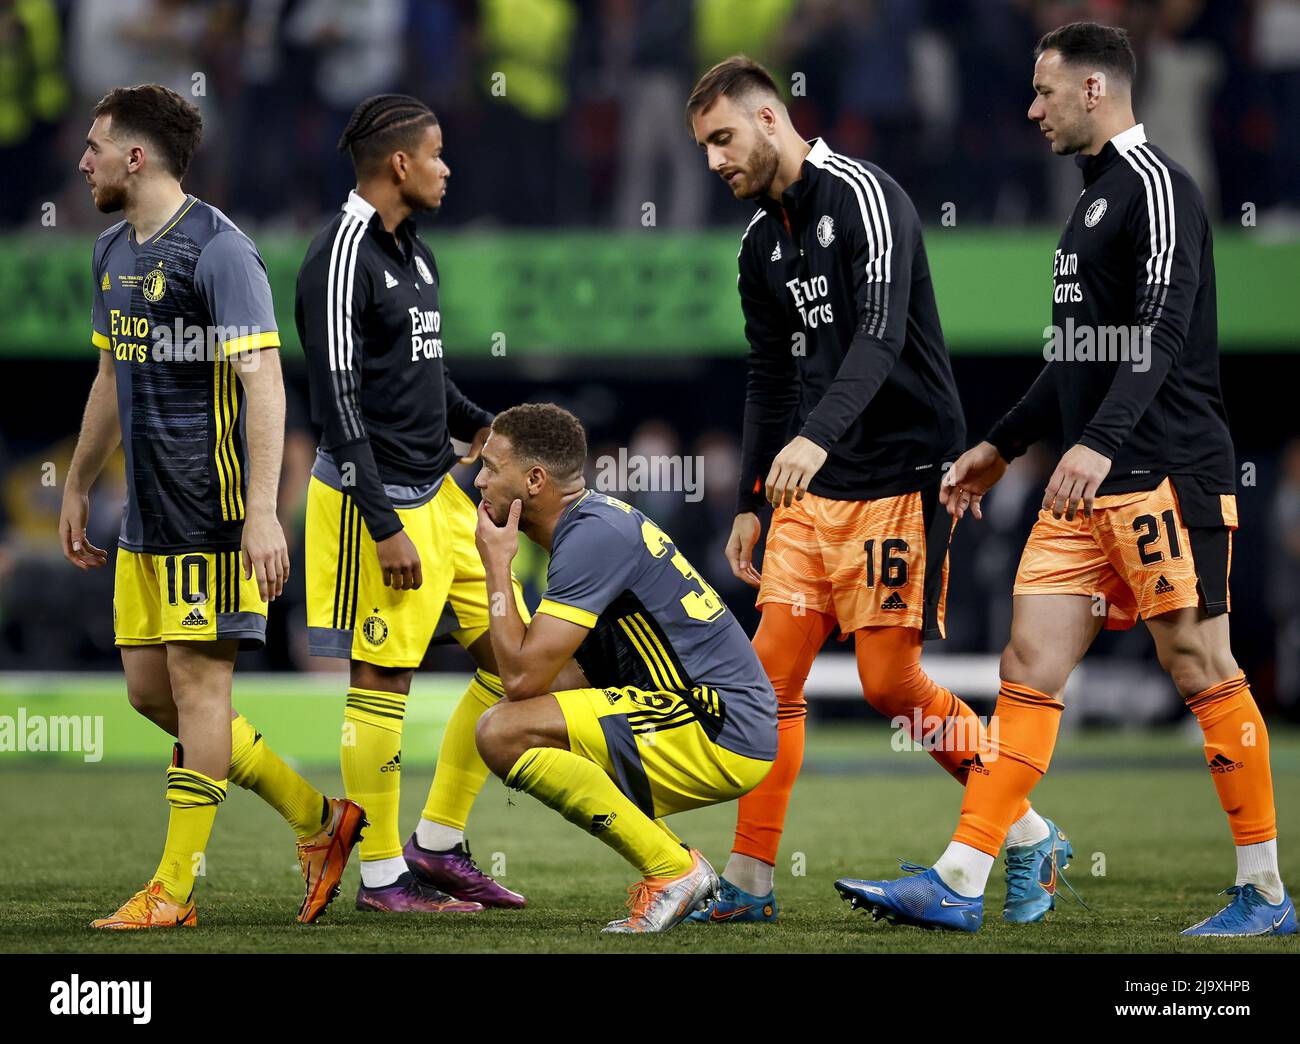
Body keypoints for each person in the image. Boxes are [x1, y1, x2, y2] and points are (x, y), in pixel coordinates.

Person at [837, 22, 1295, 937]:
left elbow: (1162, 332)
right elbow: (1074, 361)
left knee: (1201, 664)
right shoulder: (1089, 202)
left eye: (1045, 92)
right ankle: (963, 876)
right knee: (1027, 667)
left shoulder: (1158, 185)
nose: (1031, 108)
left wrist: (1099, 442)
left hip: (1164, 472)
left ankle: (1266, 892)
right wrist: (1004, 445)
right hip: (1086, 483)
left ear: (1096, 89)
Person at [685, 55, 1065, 925]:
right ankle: (749, 884)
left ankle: (1028, 828)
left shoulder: (864, 196)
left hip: (900, 472)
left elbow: (883, 334)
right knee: (768, 673)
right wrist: (750, 498)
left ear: (771, 119)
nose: (713, 161)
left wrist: (816, 438)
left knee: (890, 683)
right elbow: (768, 379)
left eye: (722, 138)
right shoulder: (758, 244)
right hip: (810, 494)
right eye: (704, 146)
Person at [62, 84, 363, 929]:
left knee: (198, 689)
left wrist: (264, 512)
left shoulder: (220, 251)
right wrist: (82, 482)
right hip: (145, 520)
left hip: (213, 513)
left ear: (136, 155)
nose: (81, 160)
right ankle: (320, 819)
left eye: (95, 145)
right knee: (151, 695)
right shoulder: (112, 251)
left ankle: (175, 890)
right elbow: (107, 381)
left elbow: (262, 382)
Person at [296, 94, 525, 913]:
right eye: (436, 154)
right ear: (400, 164)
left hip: (442, 493)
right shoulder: (338, 256)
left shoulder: (416, 255)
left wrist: (485, 428)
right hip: (376, 502)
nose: (446, 167)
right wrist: (384, 525)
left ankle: (434, 845)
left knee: (518, 660)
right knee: (383, 680)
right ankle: (382, 877)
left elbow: (425, 381)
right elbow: (337, 402)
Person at [472, 404, 777, 934]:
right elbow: (539, 680)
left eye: (491, 467)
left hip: (717, 723)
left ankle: (673, 871)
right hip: (703, 713)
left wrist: (497, 567)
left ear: (535, 480)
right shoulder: (591, 526)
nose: (478, 479)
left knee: (502, 730)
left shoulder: (592, 537)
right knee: (504, 713)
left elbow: (522, 678)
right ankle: (437, 844)